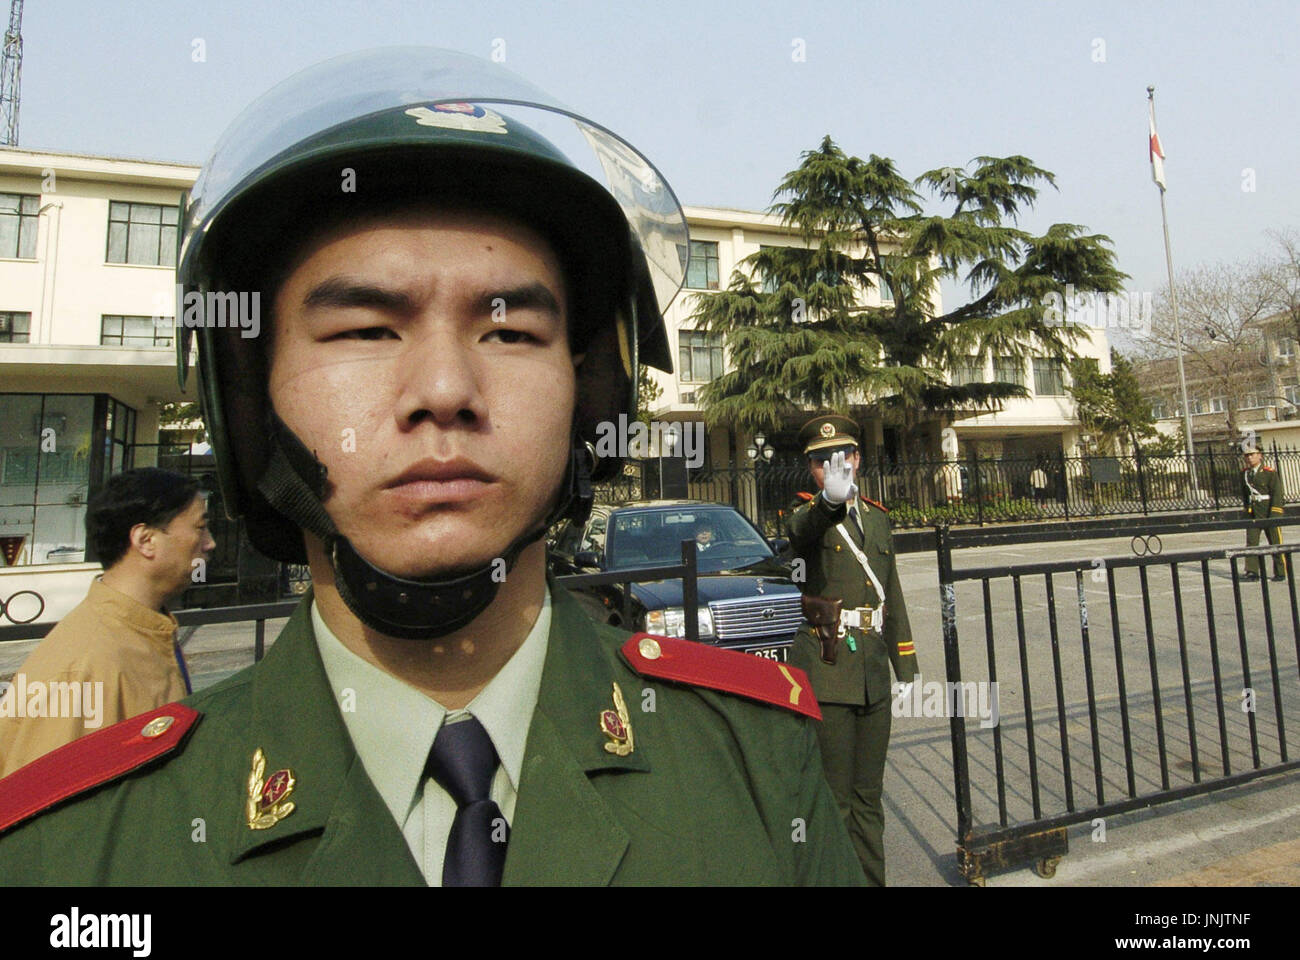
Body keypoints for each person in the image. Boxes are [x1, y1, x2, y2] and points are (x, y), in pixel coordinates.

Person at [0, 48, 863, 886]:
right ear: (251, 405)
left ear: (591, 394)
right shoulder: (83, 846)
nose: (446, 390)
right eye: (367, 331)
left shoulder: (755, 763)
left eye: (511, 332)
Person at [0, 468, 212, 777]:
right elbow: (47, 809)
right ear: (145, 540)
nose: (209, 543)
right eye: (200, 528)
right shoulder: (85, 664)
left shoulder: (145, 630)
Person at [785, 414, 919, 885]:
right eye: (820, 461)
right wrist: (829, 501)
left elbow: (892, 594)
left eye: (840, 457)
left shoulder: (879, 520)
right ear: (810, 470)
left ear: (857, 459)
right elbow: (800, 533)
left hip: (872, 675)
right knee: (835, 799)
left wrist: (906, 666)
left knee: (868, 797)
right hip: (828, 671)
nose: (831, 466)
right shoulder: (806, 515)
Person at [1242, 445, 1286, 581]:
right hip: (1254, 512)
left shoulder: (1269, 472)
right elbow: (1245, 495)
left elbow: (1277, 493)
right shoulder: (1245, 474)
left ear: (1260, 455)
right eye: (1247, 455)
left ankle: (1280, 571)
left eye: (1253, 454)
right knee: (1251, 543)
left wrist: (1275, 513)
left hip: (1269, 511)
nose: (1250, 457)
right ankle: (1252, 571)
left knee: (1275, 542)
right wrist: (1246, 511)